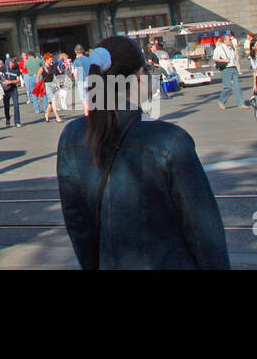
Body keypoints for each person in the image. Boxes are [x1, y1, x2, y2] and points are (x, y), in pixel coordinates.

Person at [56, 35, 230, 269]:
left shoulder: (71, 136)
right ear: (139, 76)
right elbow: (203, 230)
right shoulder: (169, 140)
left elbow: (77, 223)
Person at [213, 35, 247, 110]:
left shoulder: (231, 48)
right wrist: (224, 60)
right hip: (226, 68)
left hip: (233, 67)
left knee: (237, 86)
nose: (230, 41)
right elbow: (215, 58)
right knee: (227, 87)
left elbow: (234, 57)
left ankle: (241, 103)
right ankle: (222, 100)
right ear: (224, 41)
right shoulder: (220, 48)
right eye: (229, 40)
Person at [40, 53, 64, 123]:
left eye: (52, 59)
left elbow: (54, 76)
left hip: (53, 84)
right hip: (47, 85)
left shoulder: (52, 66)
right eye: (50, 59)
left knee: (51, 102)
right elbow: (38, 77)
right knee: (53, 101)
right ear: (46, 60)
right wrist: (40, 86)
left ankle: (46, 115)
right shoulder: (42, 68)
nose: (51, 60)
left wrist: (57, 84)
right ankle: (57, 117)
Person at [0, 56, 22, 126]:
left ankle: (17, 121)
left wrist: (11, 82)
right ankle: (7, 118)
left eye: (14, 65)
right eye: (12, 65)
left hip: (13, 88)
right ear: (9, 63)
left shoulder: (17, 69)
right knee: (6, 105)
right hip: (6, 89)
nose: (13, 67)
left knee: (16, 105)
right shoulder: (5, 68)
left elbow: (18, 80)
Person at [23, 50, 45, 116]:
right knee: (43, 92)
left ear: (29, 56)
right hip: (39, 76)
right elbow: (44, 64)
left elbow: (25, 68)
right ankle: (46, 107)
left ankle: (37, 109)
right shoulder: (37, 60)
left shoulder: (26, 62)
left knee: (33, 93)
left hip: (31, 77)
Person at [72, 45, 92, 113]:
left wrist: (75, 81)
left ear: (75, 52)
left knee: (84, 99)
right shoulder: (88, 59)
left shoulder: (76, 61)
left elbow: (76, 73)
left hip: (81, 81)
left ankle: (87, 114)